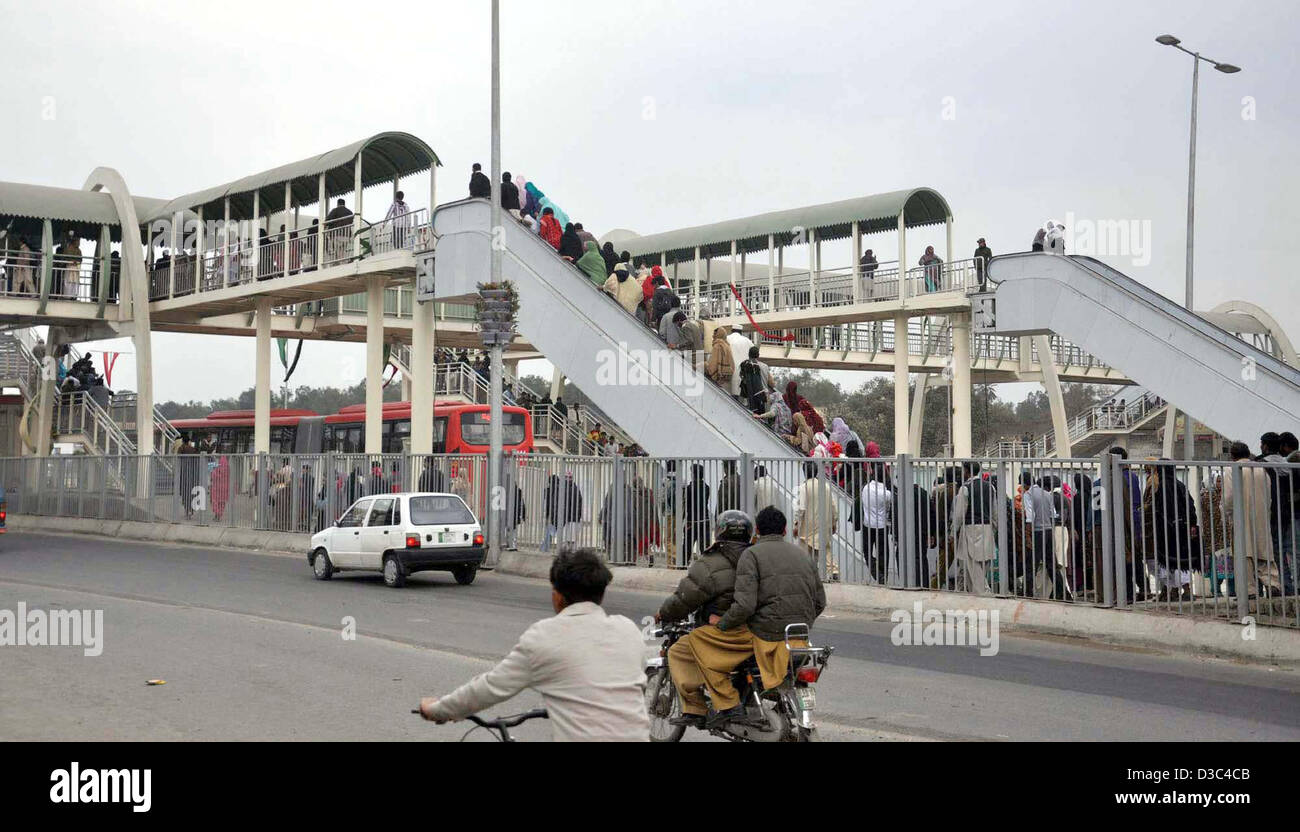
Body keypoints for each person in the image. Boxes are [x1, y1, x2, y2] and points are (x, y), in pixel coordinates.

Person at [420, 548, 647, 741]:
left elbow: (489, 688)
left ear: (557, 595)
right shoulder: (629, 630)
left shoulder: (545, 636)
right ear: (601, 593)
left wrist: (438, 709)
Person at [714, 506, 826, 725]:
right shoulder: (803, 556)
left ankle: (729, 706)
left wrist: (723, 624)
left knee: (716, 651)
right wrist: (803, 621)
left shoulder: (751, 554)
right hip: (799, 636)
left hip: (766, 636)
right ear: (785, 530)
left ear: (757, 530)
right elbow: (820, 602)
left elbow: (745, 606)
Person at [657, 510, 754, 728]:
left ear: (719, 531)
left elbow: (685, 598)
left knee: (680, 651)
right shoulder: (757, 557)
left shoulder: (710, 563)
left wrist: (664, 614)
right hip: (759, 630)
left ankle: (697, 708)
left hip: (726, 630)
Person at [1222, 441, 1281, 597]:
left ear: (1232, 456)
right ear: (1248, 453)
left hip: (1241, 516)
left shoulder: (1232, 470)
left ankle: (1250, 590)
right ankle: (1272, 583)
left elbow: (1228, 497)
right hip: (1261, 515)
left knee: (1244, 551)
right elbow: (1269, 495)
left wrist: (1226, 512)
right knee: (1264, 549)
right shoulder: (1261, 469)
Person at [947, 464, 997, 595]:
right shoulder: (990, 487)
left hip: (970, 529)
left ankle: (983, 593)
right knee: (982, 563)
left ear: (967, 472)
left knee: (972, 564)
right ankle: (978, 592)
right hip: (987, 528)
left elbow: (959, 514)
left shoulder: (965, 488)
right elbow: (994, 511)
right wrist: (994, 528)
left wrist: (953, 532)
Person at [795, 461, 839, 581]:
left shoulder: (804, 487)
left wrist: (796, 524)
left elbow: (801, 508)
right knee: (825, 548)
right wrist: (834, 522)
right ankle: (833, 571)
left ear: (804, 472)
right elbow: (833, 506)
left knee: (806, 550)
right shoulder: (825, 486)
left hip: (808, 525)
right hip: (825, 524)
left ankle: (807, 575)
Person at [860, 462, 892, 584]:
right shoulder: (887, 494)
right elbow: (888, 507)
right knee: (883, 553)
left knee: (867, 553)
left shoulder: (865, 488)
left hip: (867, 525)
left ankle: (876, 573)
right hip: (881, 526)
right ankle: (883, 576)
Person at [682, 463, 711, 564]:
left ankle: (683, 565)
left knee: (687, 546)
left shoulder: (689, 488)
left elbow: (686, 505)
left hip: (692, 520)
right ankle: (707, 566)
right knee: (705, 547)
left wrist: (682, 520)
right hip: (704, 519)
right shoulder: (706, 487)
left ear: (693, 474)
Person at [725, 325, 754, 400]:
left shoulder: (727, 339)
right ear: (741, 332)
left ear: (732, 331)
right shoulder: (748, 341)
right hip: (744, 374)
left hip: (729, 371)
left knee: (728, 397)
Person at [738, 346, 770, 414]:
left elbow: (742, 377)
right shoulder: (761, 366)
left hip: (747, 397)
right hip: (759, 397)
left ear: (748, 354)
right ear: (758, 355)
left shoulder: (744, 364)